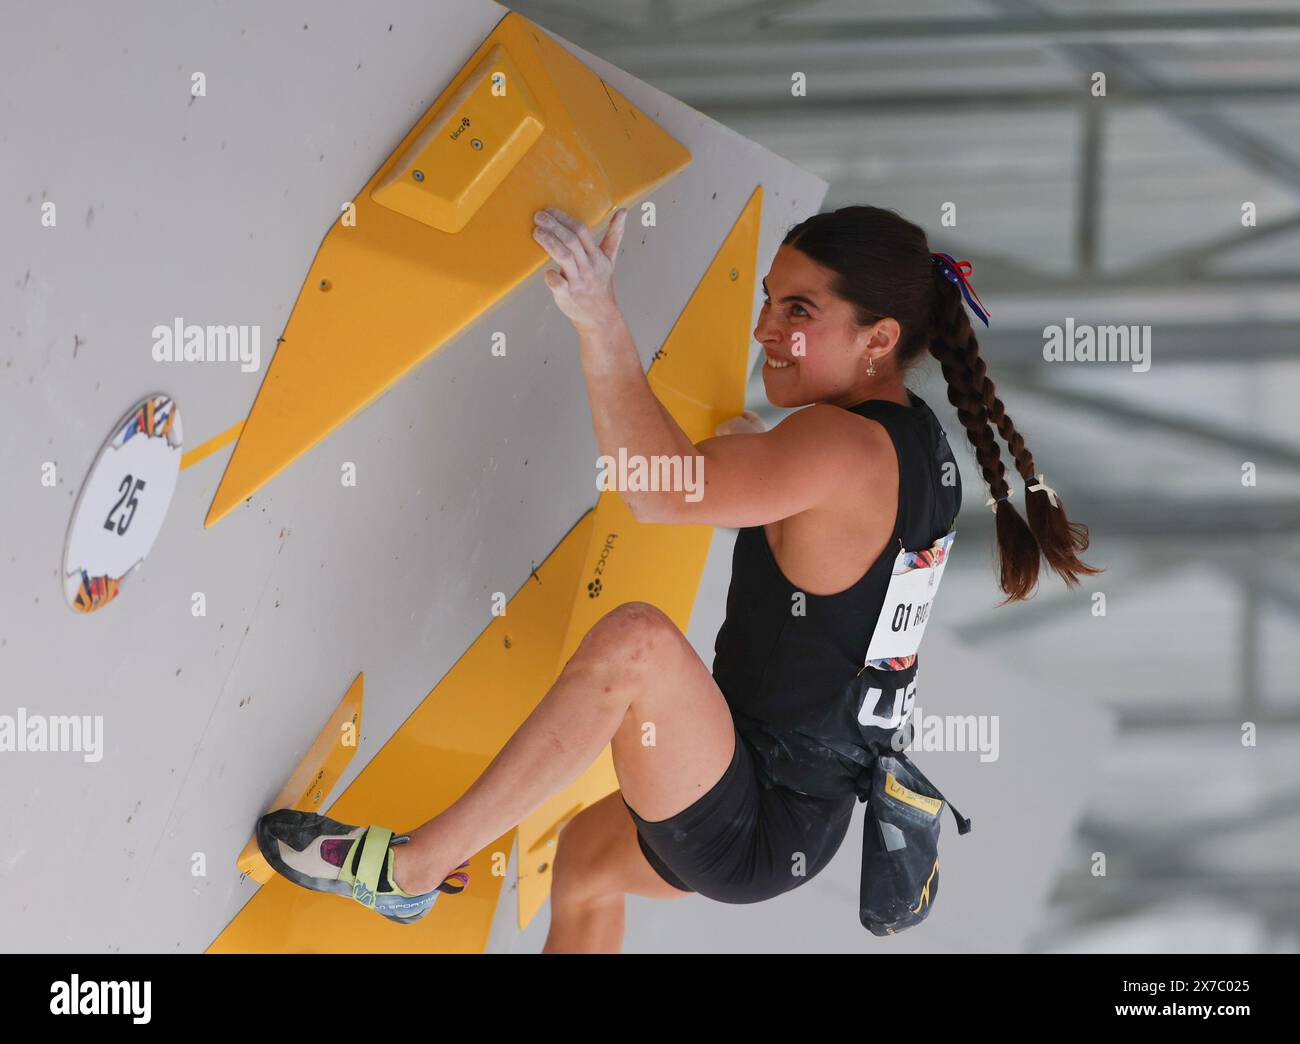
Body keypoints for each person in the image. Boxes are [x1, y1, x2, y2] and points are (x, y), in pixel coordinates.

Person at [257, 204, 1098, 950]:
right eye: (770, 298)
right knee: (586, 866)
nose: (767, 328)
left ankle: (410, 871)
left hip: (755, 812)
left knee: (637, 648)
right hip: (793, 811)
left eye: (798, 311)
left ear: (879, 339)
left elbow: (662, 491)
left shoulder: (837, 447)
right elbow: (828, 545)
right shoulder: (917, 447)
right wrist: (756, 465)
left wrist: (599, 319)